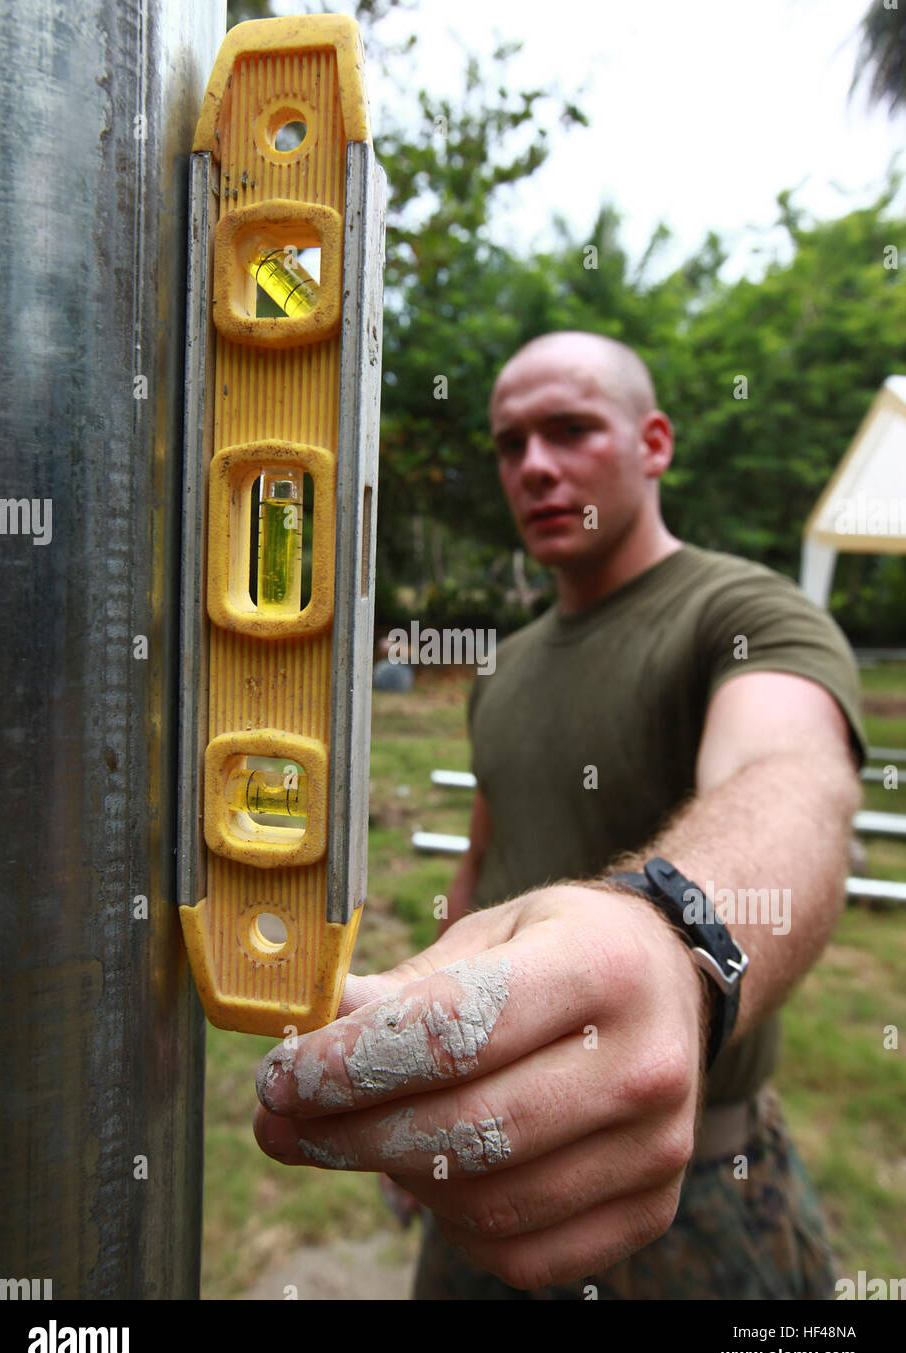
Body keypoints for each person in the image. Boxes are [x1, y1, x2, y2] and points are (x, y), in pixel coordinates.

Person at [253, 331, 866, 1300]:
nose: (534, 465)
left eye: (570, 429)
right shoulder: (504, 668)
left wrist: (669, 937)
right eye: (510, 443)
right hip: (476, 1172)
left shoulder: (744, 610)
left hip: (695, 1189)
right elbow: (485, 861)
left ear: (653, 442)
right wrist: (433, 1060)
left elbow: (789, 779)